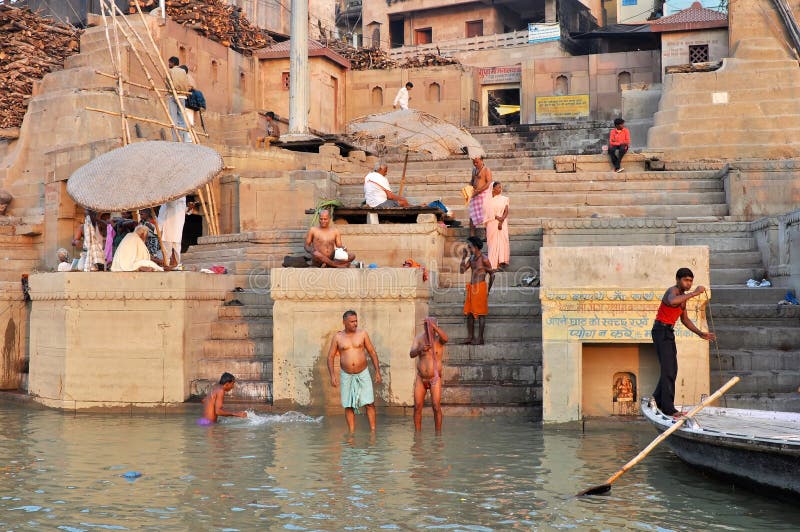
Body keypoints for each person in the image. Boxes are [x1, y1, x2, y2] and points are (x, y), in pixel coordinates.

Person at [652, 267, 716, 418]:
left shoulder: (683, 298)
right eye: (686, 280)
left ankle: (655, 399)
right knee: (668, 370)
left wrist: (701, 333)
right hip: (660, 331)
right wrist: (694, 293)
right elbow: (671, 301)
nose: (688, 283)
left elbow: (685, 320)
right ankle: (668, 408)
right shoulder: (672, 291)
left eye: (690, 281)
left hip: (668, 332)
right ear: (678, 280)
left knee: (672, 369)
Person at [327, 310, 382, 432]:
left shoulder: (362, 334)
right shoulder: (338, 337)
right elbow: (330, 357)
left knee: (369, 403)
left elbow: (372, 352)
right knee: (348, 405)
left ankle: (373, 431)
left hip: (363, 373)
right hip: (346, 375)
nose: (355, 323)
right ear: (344, 322)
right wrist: (332, 375)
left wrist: (378, 371)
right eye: (352, 321)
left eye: (356, 321)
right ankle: (351, 433)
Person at [410, 317, 448, 432]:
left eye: (430, 326)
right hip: (421, 378)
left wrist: (434, 327)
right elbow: (411, 354)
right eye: (426, 325)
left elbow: (446, 339)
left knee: (436, 406)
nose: (428, 328)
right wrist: (420, 349)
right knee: (417, 406)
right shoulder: (419, 338)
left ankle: (438, 434)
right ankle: (417, 435)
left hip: (435, 378)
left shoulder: (438, 340)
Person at [460, 236, 494, 345]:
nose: (468, 249)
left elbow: (492, 274)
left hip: (481, 288)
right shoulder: (471, 258)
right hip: (472, 288)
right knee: (469, 313)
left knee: (481, 314)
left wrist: (488, 290)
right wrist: (463, 258)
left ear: (475, 247)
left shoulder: (484, 259)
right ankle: (470, 337)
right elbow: (462, 271)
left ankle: (480, 338)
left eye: (470, 247)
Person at [166, 56, 191, 142]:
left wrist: (170, 90)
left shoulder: (170, 71)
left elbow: (167, 83)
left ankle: (175, 139)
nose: (169, 64)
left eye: (169, 62)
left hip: (173, 95)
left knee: (174, 119)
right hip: (182, 96)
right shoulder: (184, 71)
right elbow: (186, 83)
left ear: (173, 63)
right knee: (182, 118)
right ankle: (182, 138)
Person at [486, 181, 509, 270]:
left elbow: (506, 211)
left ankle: (501, 262)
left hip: (502, 222)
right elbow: (487, 213)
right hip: (492, 223)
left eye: (501, 187)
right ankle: (493, 264)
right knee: (493, 243)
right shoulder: (488, 201)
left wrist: (501, 220)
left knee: (503, 241)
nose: (500, 189)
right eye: (498, 187)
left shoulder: (504, 199)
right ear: (493, 188)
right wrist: (496, 218)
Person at [157, 196, 187, 266]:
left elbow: (181, 209)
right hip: (168, 226)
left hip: (175, 227)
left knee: (175, 249)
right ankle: (168, 265)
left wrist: (189, 208)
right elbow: (171, 204)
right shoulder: (173, 194)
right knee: (167, 251)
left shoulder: (182, 196)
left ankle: (174, 265)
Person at [467, 156, 493, 236]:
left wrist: (478, 191)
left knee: (486, 215)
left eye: (477, 162)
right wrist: (467, 189)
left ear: (482, 160)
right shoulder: (474, 170)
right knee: (472, 215)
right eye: (474, 162)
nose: (475, 164)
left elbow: (489, 183)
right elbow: (472, 181)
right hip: (474, 195)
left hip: (484, 195)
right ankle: (472, 235)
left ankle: (487, 235)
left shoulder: (486, 170)